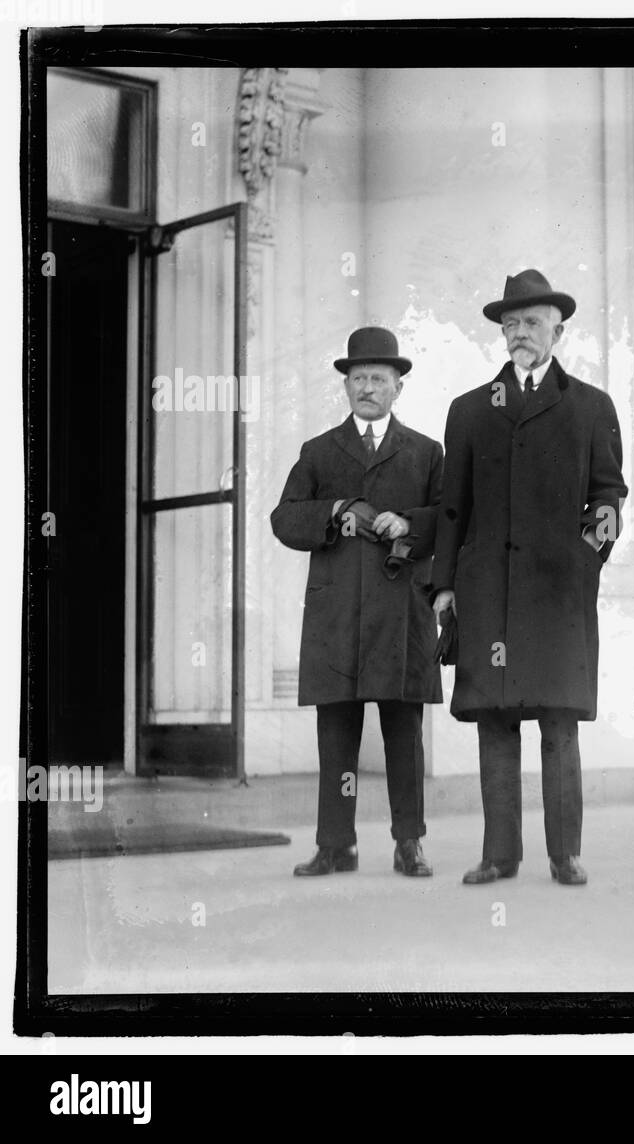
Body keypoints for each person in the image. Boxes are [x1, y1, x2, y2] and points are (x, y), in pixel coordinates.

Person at [432, 269, 627, 887]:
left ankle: (564, 853)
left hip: (558, 593)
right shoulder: (469, 410)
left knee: (559, 723)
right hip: (487, 590)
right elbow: (451, 506)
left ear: (558, 329)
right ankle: (500, 854)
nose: (520, 333)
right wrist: (444, 584)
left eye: (532, 322)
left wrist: (586, 558)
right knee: (495, 722)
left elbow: (608, 496)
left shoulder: (592, 407)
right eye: (510, 324)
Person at [271, 326, 443, 878]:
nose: (368, 387)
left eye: (379, 378)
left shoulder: (425, 452)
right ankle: (334, 845)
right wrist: (334, 507)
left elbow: (450, 518)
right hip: (338, 613)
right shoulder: (319, 451)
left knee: (403, 734)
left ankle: (409, 842)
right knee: (336, 734)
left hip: (400, 613)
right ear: (346, 387)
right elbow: (284, 518)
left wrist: (409, 522)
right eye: (359, 378)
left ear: (398, 388)